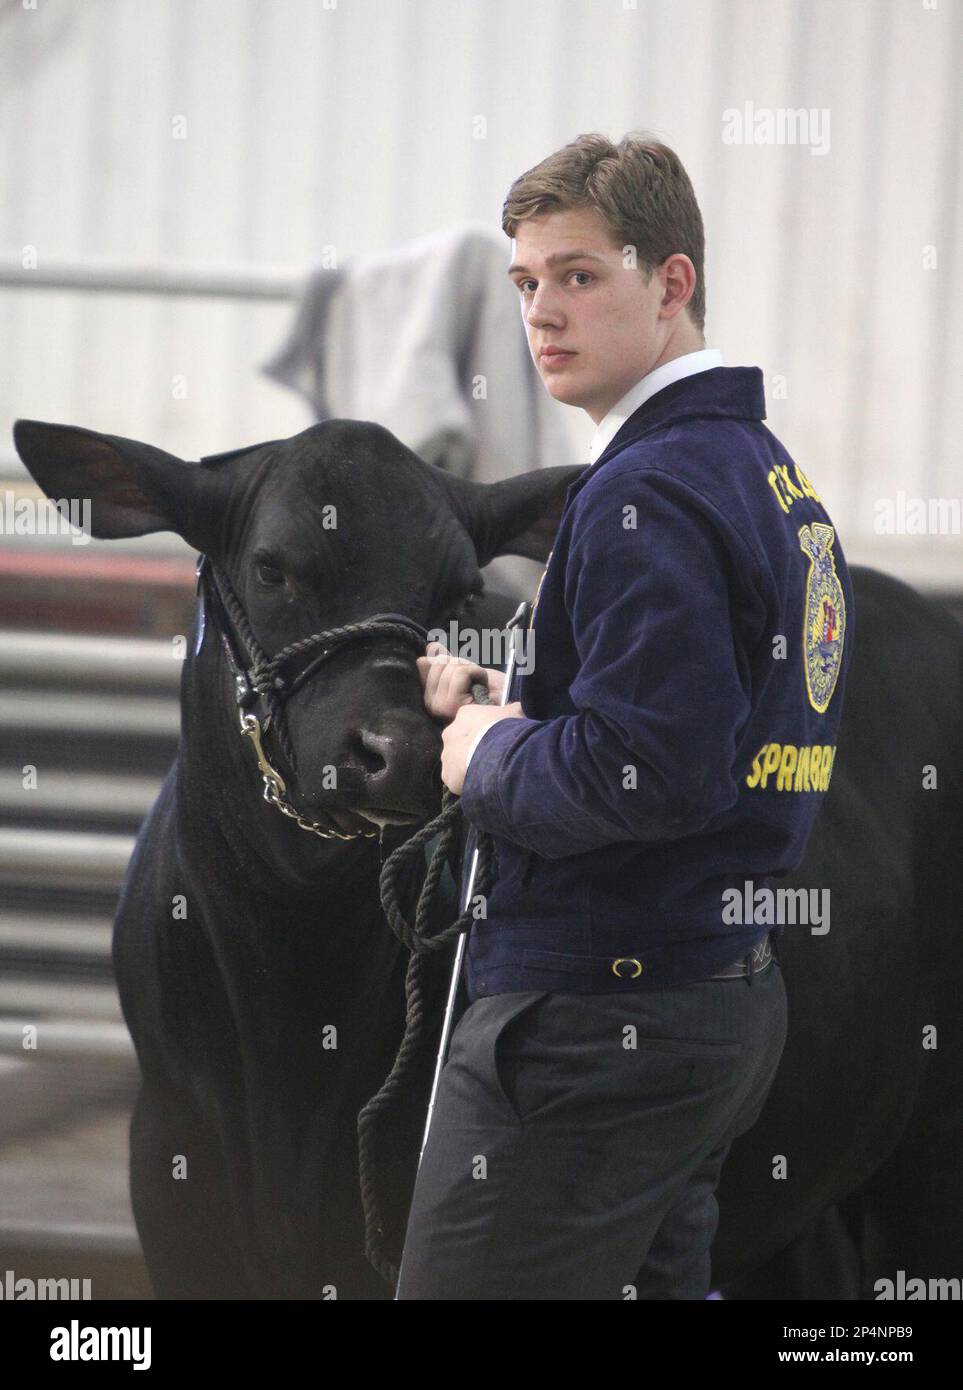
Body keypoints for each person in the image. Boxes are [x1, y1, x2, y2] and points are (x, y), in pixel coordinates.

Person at [397, 132, 854, 1300]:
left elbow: (655, 772)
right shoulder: (764, 474)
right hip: (712, 998)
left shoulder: (646, 490)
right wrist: (523, 702)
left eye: (579, 275)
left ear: (672, 282)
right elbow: (702, 728)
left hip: (594, 1024)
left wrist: (489, 757)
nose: (542, 312)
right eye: (526, 282)